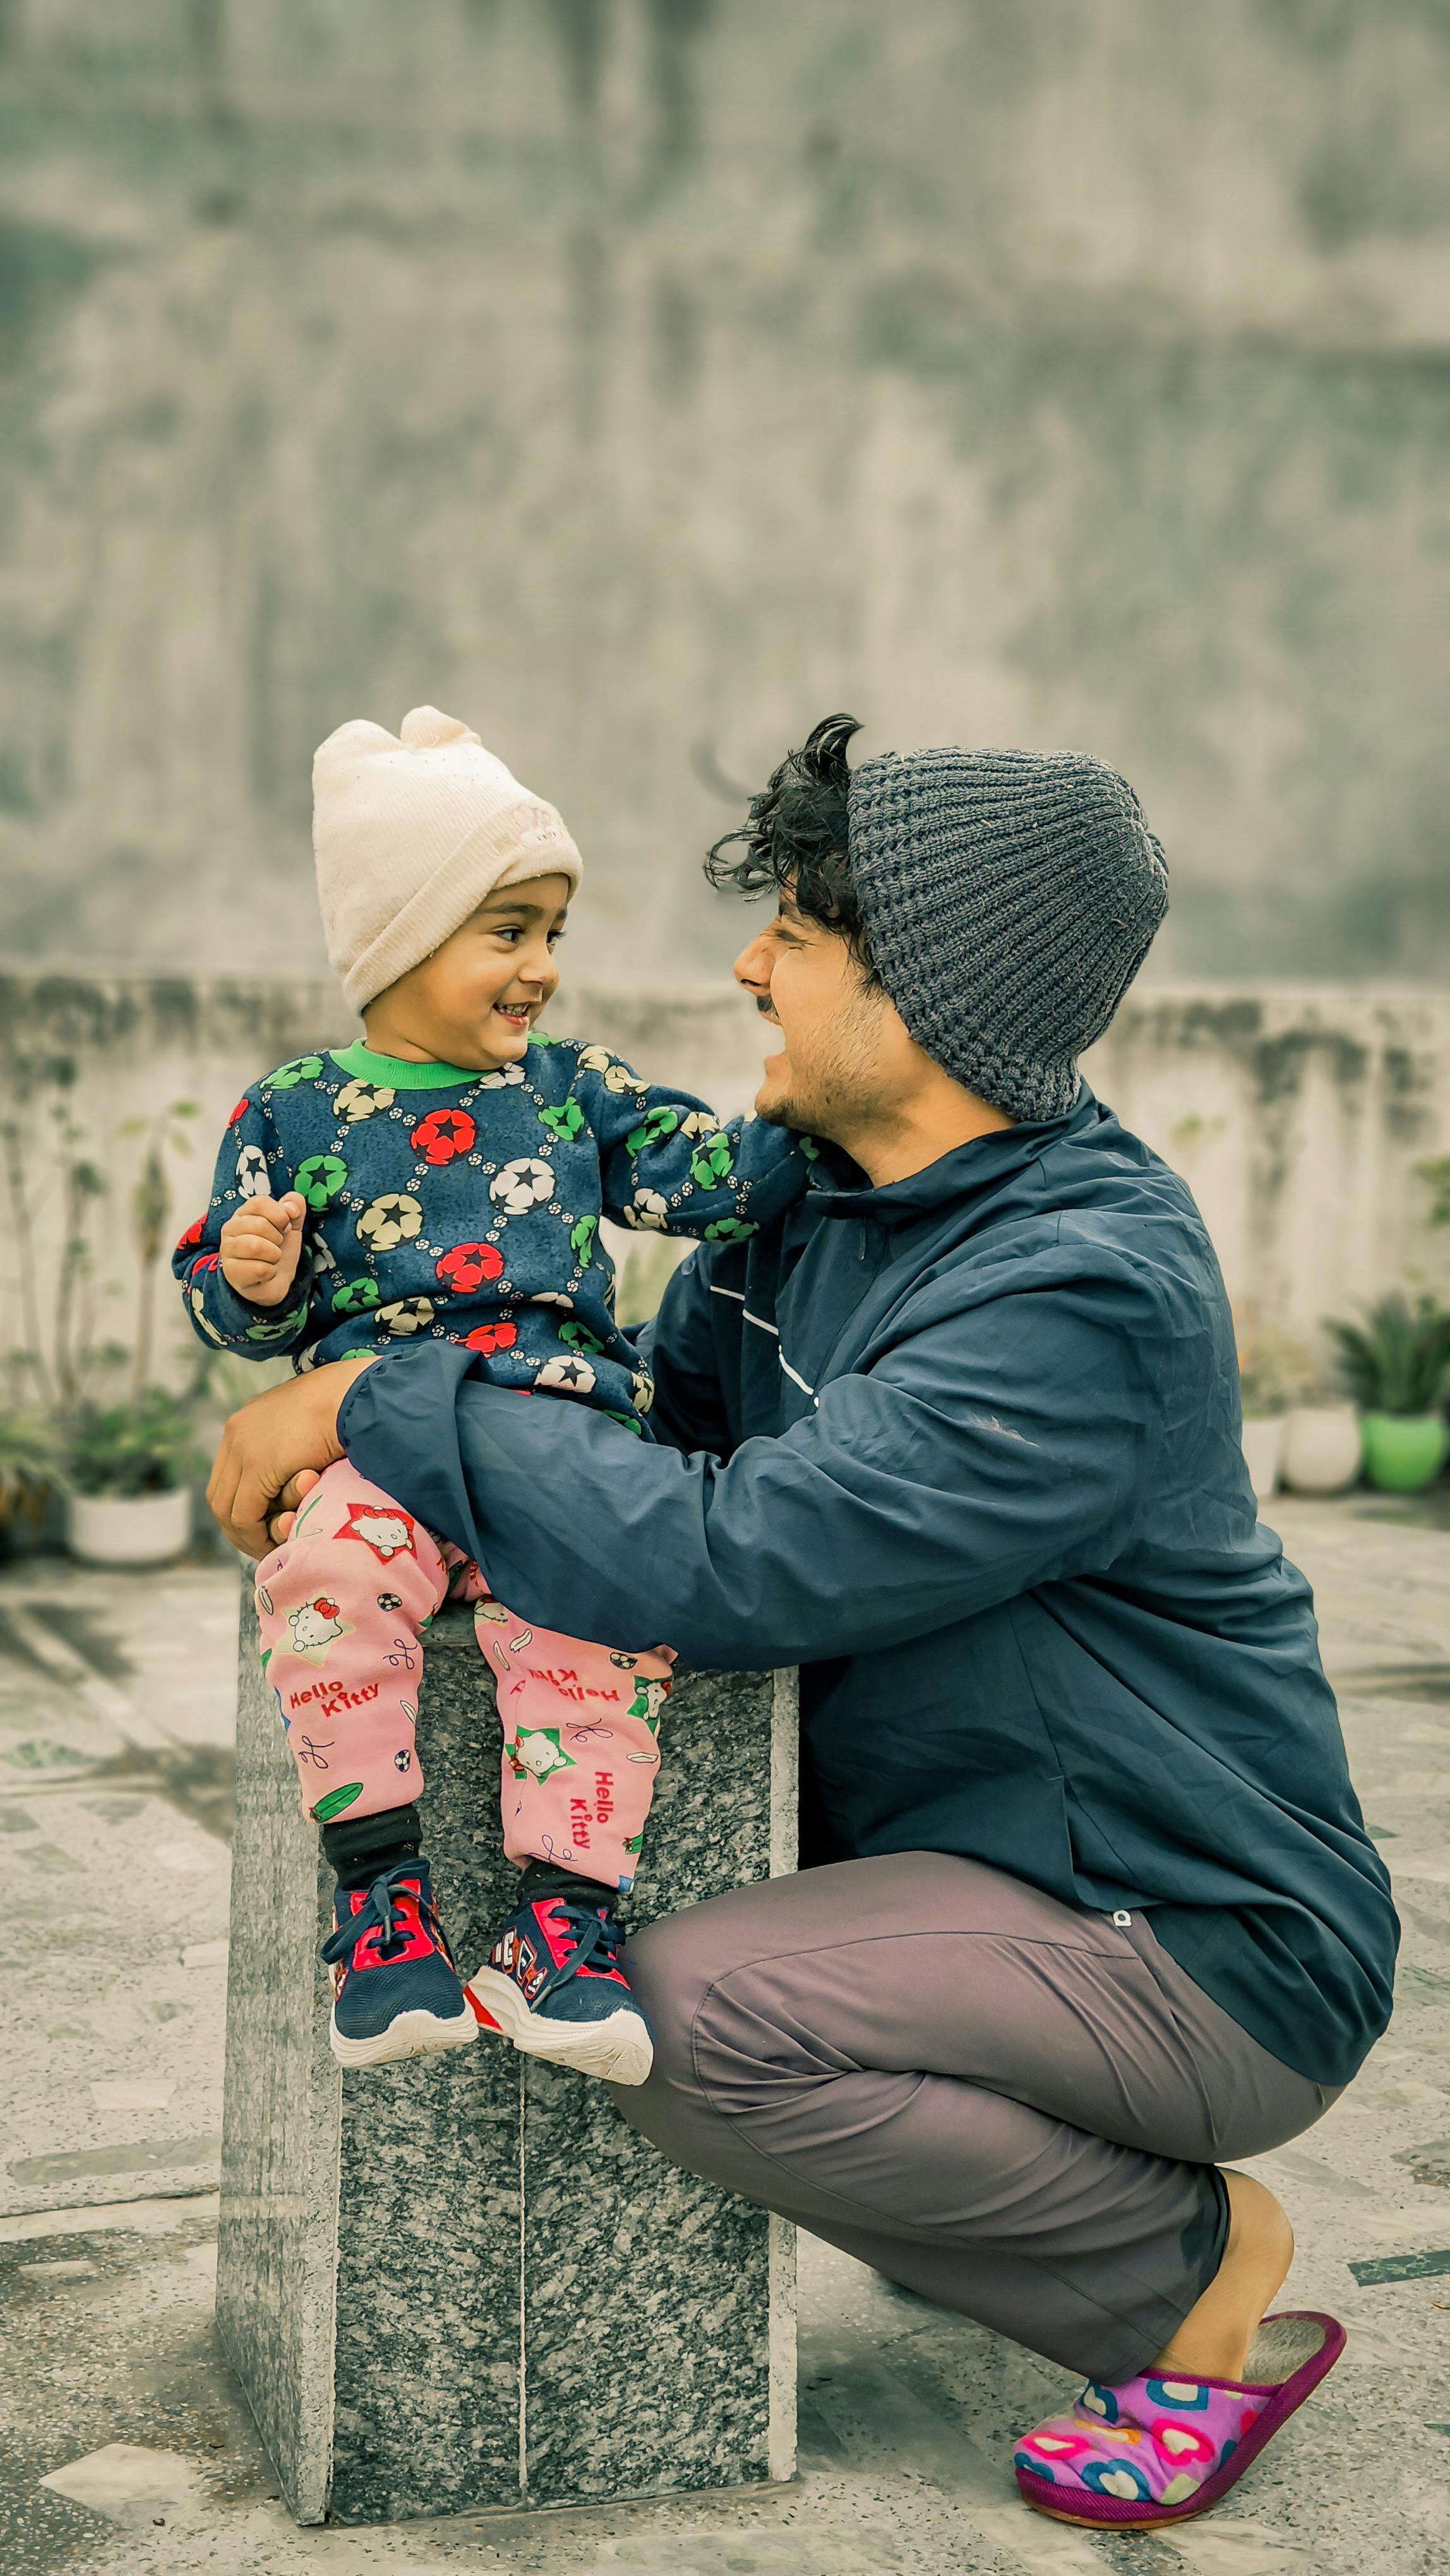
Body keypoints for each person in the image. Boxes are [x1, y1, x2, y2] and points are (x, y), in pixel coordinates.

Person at [208, 715, 1396, 2535]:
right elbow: (626, 1442)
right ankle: (1021, 2175)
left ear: (919, 985)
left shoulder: (1080, 1286)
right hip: (984, 1867)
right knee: (582, 1884)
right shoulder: (813, 1214)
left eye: (797, 935)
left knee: (689, 2020)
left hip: (1195, 1929)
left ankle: (1189, 2277)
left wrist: (378, 1398)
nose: (748, 967)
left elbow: (727, 1556)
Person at [178, 704, 806, 2078]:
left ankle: (559, 1938)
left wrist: (798, 1115)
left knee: (600, 1634)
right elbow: (223, 1304)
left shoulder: (575, 1092)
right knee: (323, 1580)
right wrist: (258, 1275)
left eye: (551, 934)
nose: (539, 971)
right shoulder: (289, 1111)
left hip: (560, 1444)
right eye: (505, 930)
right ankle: (380, 1911)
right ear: (399, 936)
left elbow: (700, 1179)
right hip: (385, 1453)